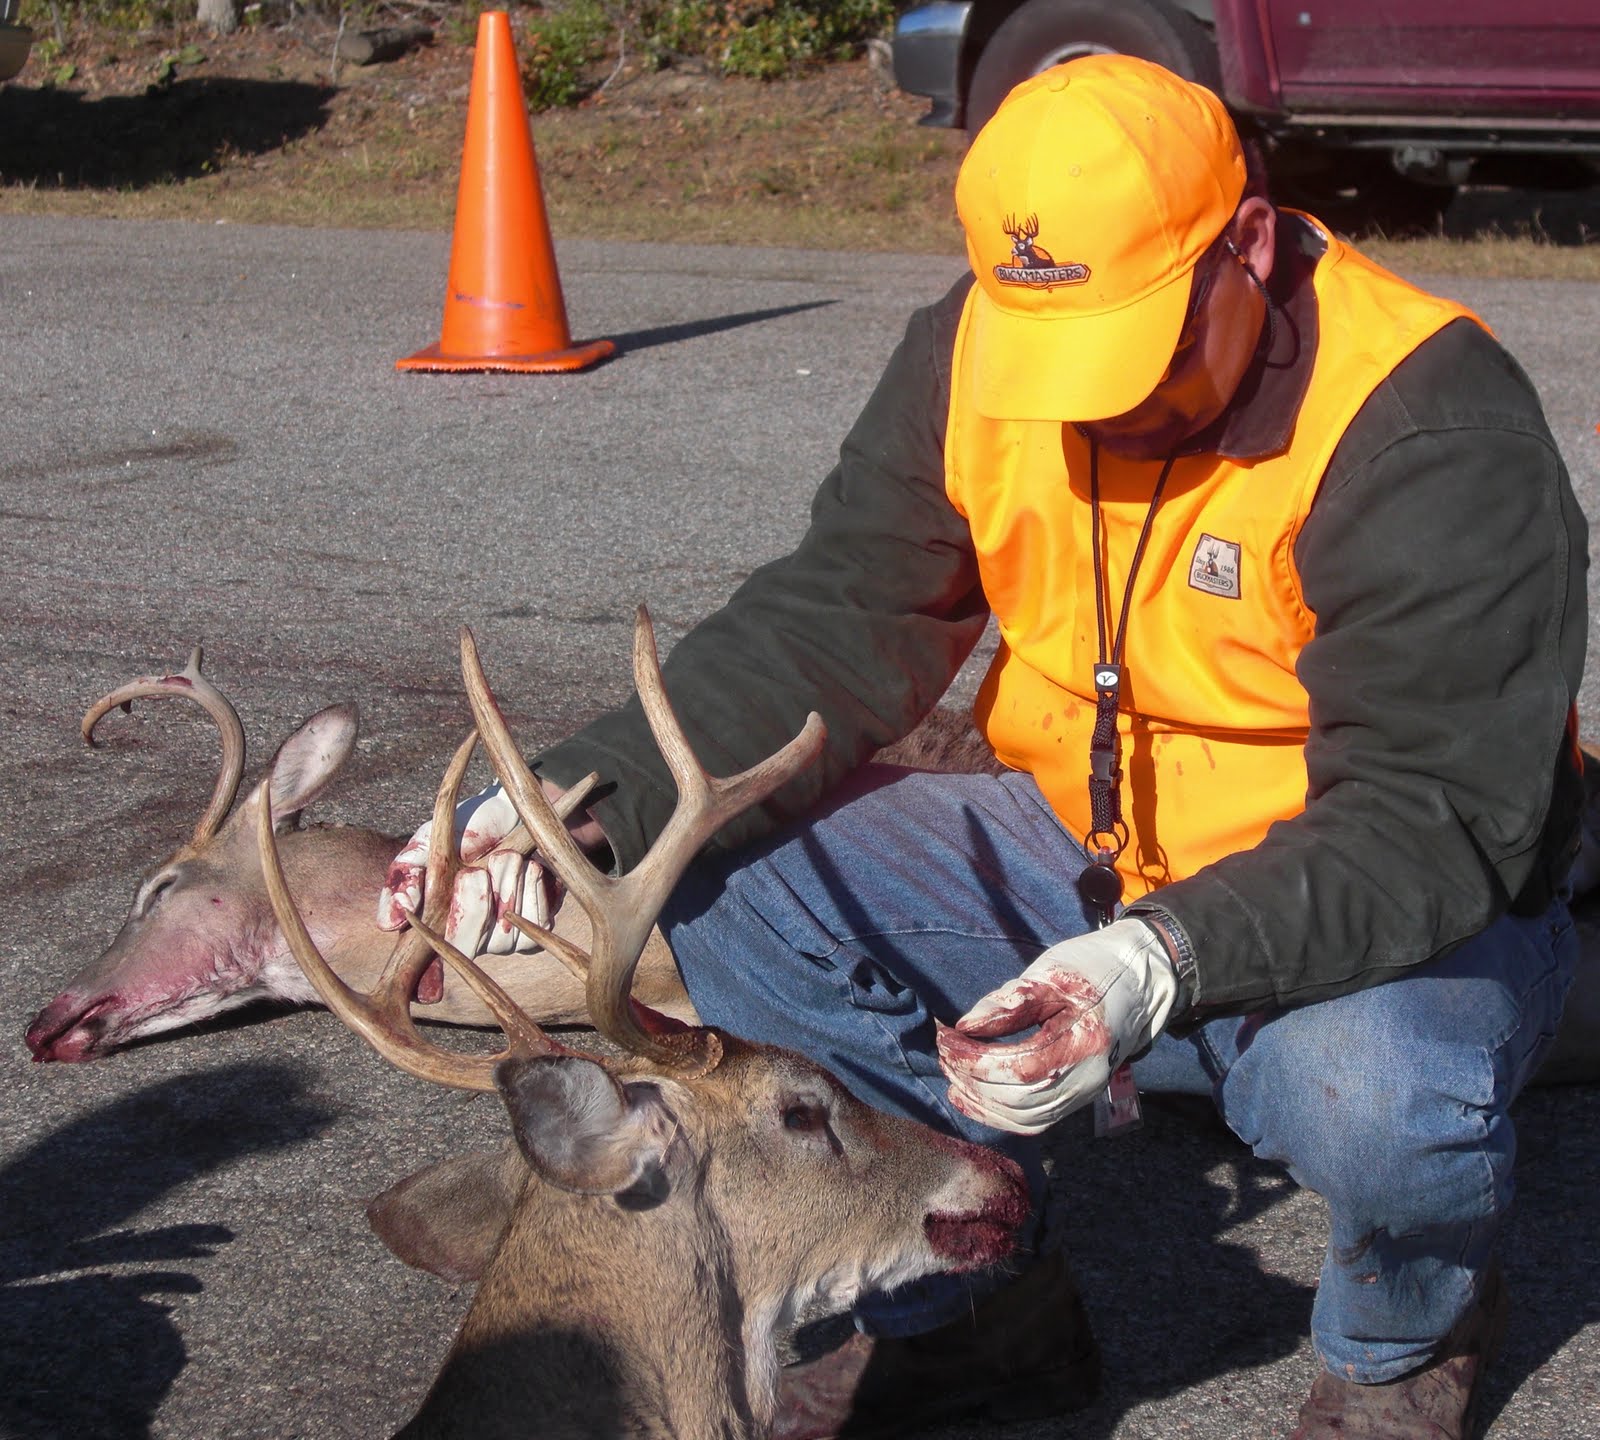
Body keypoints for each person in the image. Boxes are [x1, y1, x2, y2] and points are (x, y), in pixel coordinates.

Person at [377, 55, 1588, 1440]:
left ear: (1248, 246)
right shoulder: (974, 348)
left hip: (1373, 895)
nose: (1090, 406)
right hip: (1091, 850)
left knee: (1379, 1098)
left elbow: (1432, 816)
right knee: (718, 874)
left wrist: (1157, 962)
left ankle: (1399, 1343)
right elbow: (843, 614)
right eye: (1055, 361)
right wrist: (576, 808)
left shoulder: (1425, 423)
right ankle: (969, 1306)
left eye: (1131, 356)